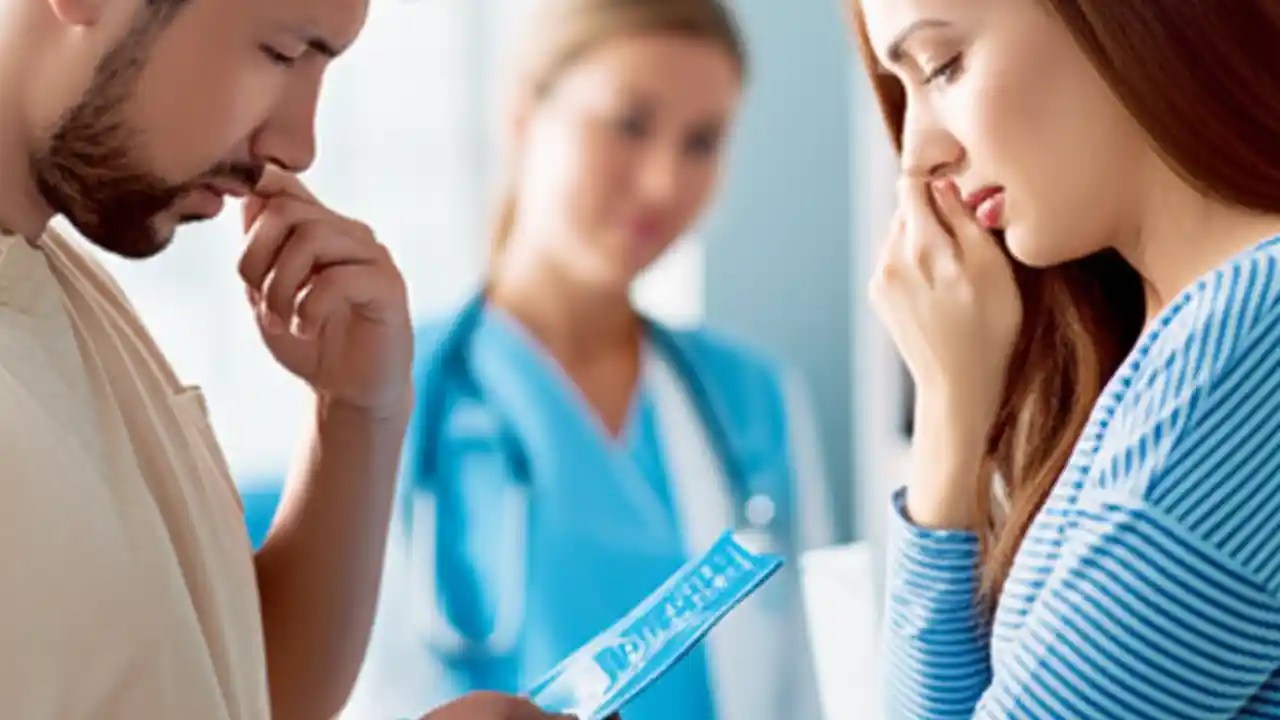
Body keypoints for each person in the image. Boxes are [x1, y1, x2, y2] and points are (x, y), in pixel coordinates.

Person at [0, 0, 572, 718]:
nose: (296, 146)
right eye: (279, 53)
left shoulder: (59, 288)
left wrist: (356, 411)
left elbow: (230, 686)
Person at [345, 1, 835, 718]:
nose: (664, 182)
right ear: (523, 114)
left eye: (701, 142)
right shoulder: (383, 391)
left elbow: (808, 696)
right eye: (629, 124)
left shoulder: (756, 404)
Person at [851, 0, 1280, 716]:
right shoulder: (1165, 349)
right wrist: (952, 413)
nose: (918, 155)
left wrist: (949, 411)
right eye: (905, 92)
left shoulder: (1248, 348)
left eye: (943, 67)